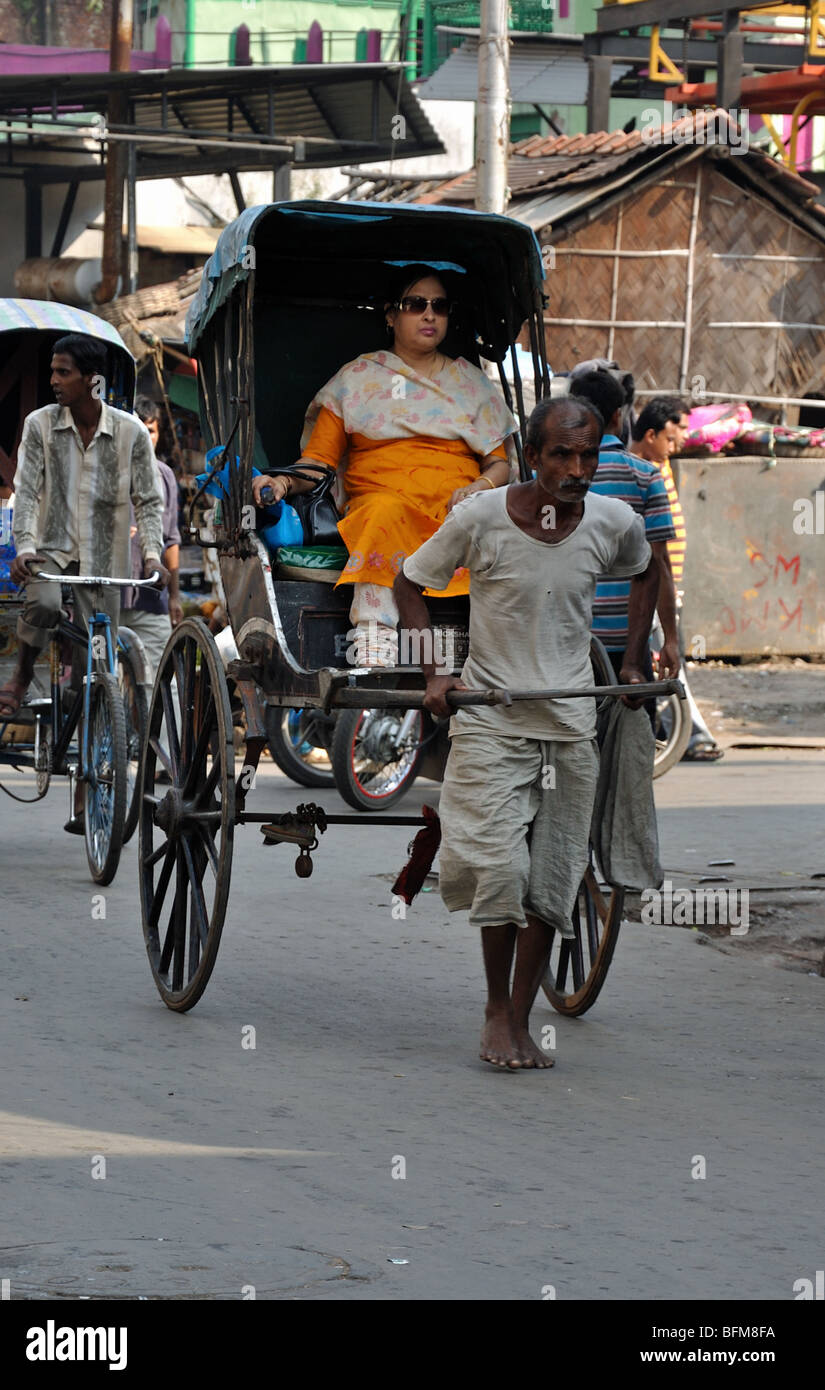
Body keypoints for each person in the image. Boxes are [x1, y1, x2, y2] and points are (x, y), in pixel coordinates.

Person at [394, 396, 661, 1071]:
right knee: (499, 869)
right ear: (531, 455)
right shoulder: (481, 518)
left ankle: (517, 1018)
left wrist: (634, 656)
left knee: (551, 875)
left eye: (587, 456)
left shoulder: (611, 520)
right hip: (491, 720)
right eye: (561, 456)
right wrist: (434, 672)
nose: (575, 470)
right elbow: (409, 581)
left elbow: (646, 569)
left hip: (569, 724)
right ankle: (493, 1009)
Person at [250, 265, 518, 666]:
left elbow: (500, 464)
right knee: (384, 512)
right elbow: (319, 462)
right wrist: (284, 484)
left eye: (439, 306)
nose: (429, 315)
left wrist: (479, 487)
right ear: (391, 315)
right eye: (416, 305)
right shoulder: (356, 379)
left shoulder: (470, 382)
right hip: (384, 505)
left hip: (458, 507)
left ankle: (497, 649)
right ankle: (375, 637)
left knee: (490, 522)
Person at [0, 333, 166, 829]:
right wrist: (25, 547)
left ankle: (88, 787)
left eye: (63, 372)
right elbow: (26, 493)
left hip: (105, 561)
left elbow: (150, 502)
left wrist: (152, 554)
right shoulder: (40, 426)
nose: (53, 381)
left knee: (94, 673)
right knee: (42, 604)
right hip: (51, 552)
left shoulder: (130, 434)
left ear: (93, 381)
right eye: (52, 371)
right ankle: (22, 674)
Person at [568, 372, 680, 708]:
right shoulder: (645, 476)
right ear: (619, 415)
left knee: (569, 745)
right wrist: (671, 640)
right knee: (629, 747)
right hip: (628, 644)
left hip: (566, 640)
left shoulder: (547, 476)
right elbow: (658, 562)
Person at [631, 396, 723, 761]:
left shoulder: (661, 464)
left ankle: (680, 734)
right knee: (667, 663)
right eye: (674, 434)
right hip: (653, 587)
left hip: (670, 587)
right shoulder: (640, 470)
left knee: (666, 662)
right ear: (651, 434)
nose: (681, 440)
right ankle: (692, 735)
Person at [119, 397, 183, 695]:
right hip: (110, 597)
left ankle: (159, 743)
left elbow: (171, 540)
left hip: (151, 599)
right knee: (108, 688)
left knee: (160, 685)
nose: (146, 438)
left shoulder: (165, 477)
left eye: (151, 431)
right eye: (139, 430)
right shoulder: (108, 472)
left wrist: (175, 597)